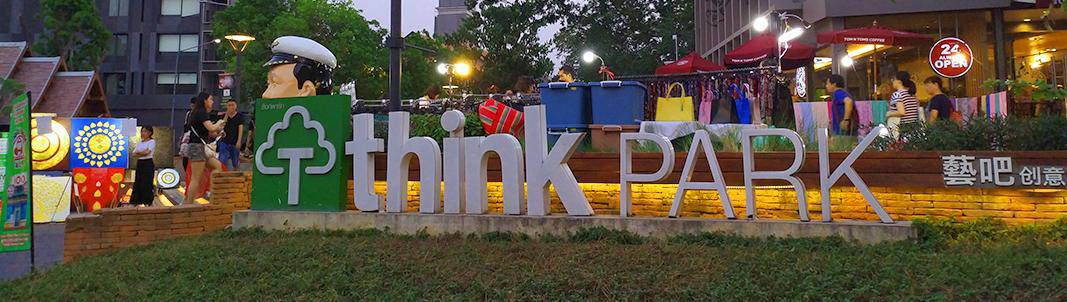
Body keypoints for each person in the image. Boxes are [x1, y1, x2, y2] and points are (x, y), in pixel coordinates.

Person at [186, 92, 226, 202]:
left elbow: (209, 132)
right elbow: (211, 127)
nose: (212, 102)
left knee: (218, 167)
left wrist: (218, 133)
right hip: (197, 147)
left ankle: (212, 194)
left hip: (200, 146)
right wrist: (219, 123)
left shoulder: (199, 112)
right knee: (196, 178)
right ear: (205, 100)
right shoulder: (201, 112)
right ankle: (189, 203)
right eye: (211, 99)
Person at [130, 126, 156, 207]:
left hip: (148, 163)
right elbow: (133, 153)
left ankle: (148, 201)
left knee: (147, 182)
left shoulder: (152, 141)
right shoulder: (140, 142)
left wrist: (139, 153)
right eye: (142, 131)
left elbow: (147, 152)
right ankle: (136, 201)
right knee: (138, 181)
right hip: (140, 163)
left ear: (150, 133)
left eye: (145, 131)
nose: (143, 133)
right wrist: (141, 153)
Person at [218, 99, 244, 170]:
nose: (231, 107)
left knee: (235, 162)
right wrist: (227, 114)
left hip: (235, 141)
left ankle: (235, 173)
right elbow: (222, 125)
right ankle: (222, 175)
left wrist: (239, 141)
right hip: (224, 141)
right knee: (222, 161)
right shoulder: (223, 115)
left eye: (232, 105)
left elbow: (240, 128)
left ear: (236, 106)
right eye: (229, 105)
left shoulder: (239, 116)